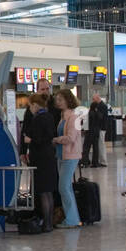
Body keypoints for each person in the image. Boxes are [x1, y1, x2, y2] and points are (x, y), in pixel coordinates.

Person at [23, 93, 59, 232]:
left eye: (30, 105)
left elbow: (38, 140)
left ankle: (47, 224)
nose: (30, 108)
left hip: (40, 158)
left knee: (43, 191)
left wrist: (29, 140)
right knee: (48, 192)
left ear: (35, 105)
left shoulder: (37, 119)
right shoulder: (49, 117)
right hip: (49, 157)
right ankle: (49, 222)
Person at [50, 89, 82, 228]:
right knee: (65, 187)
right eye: (57, 99)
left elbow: (71, 138)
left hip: (70, 155)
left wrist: (57, 139)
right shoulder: (63, 116)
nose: (58, 102)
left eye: (60, 99)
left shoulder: (73, 117)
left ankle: (72, 219)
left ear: (68, 100)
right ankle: (72, 218)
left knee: (63, 187)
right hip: (61, 154)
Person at [82, 93, 108, 167]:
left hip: (100, 129)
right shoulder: (98, 109)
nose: (92, 101)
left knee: (100, 145)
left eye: (93, 99)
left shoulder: (101, 106)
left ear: (97, 98)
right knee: (97, 146)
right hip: (97, 130)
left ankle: (102, 161)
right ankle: (97, 161)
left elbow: (101, 118)